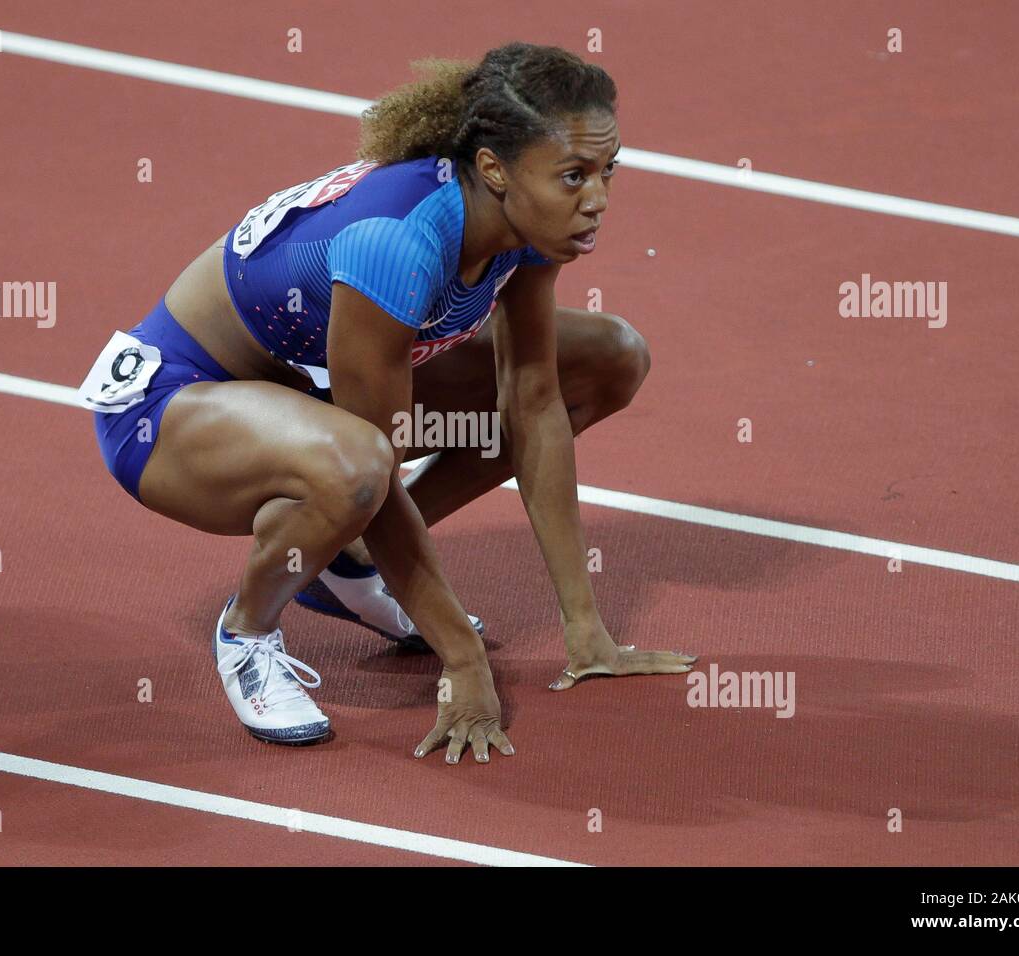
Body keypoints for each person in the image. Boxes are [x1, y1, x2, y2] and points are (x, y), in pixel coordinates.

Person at [78, 42, 696, 764]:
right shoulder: (397, 246)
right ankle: (248, 632)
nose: (597, 199)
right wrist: (464, 660)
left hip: (305, 394)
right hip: (170, 408)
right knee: (360, 466)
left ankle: (343, 560)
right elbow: (376, 461)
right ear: (494, 169)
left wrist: (586, 631)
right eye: (573, 176)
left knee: (607, 359)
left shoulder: (528, 227)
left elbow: (532, 402)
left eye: (606, 171)